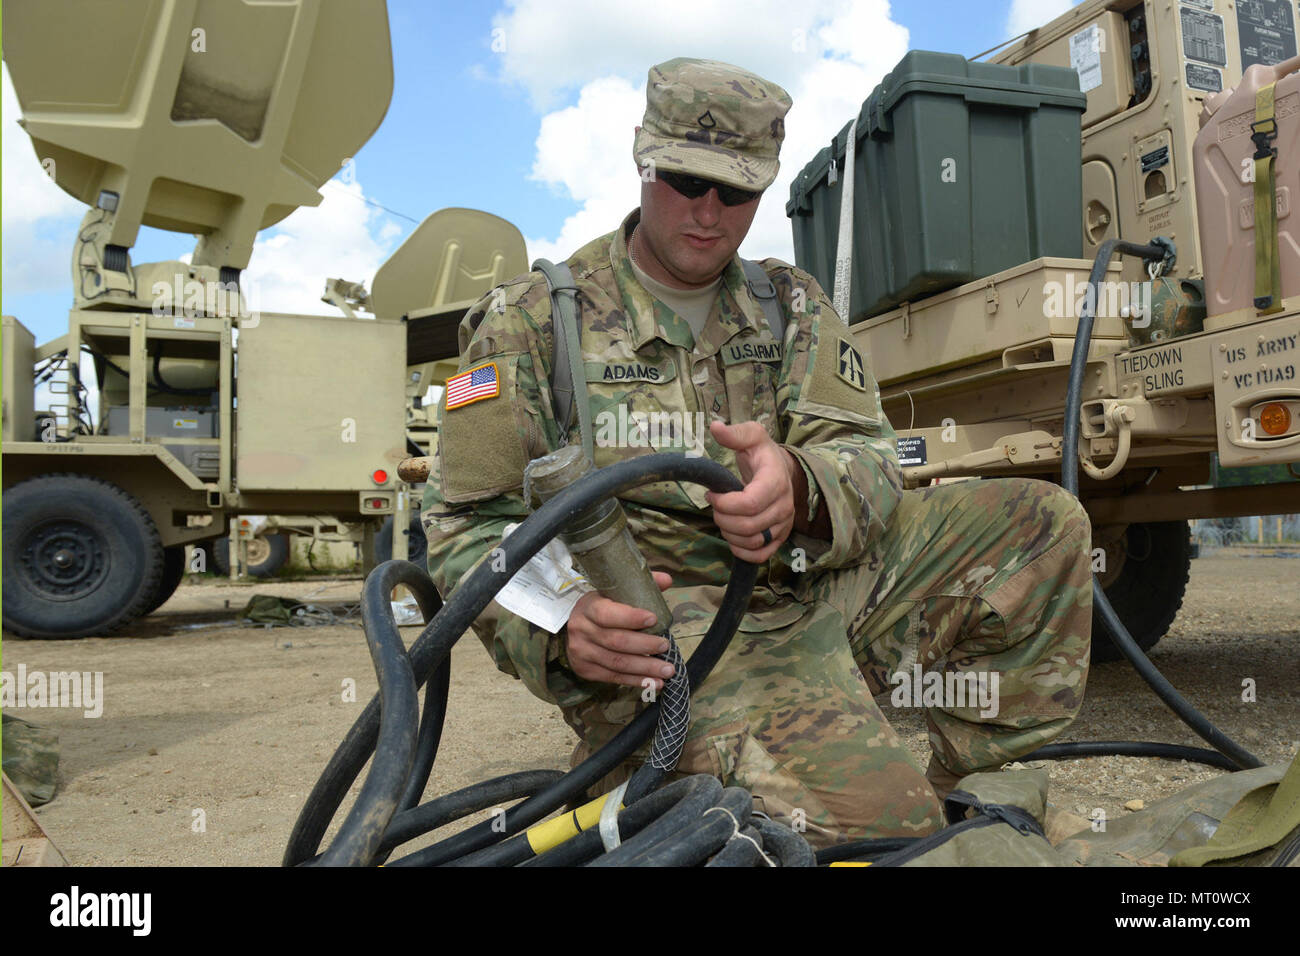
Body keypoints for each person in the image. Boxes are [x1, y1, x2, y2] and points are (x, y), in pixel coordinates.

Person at [422, 57, 1092, 847]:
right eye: (685, 180)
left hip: (811, 589)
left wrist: (799, 488)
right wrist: (562, 624)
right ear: (643, 156)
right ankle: (653, 764)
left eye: (737, 192)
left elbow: (871, 457)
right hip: (673, 641)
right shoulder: (531, 324)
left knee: (1040, 523)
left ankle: (986, 798)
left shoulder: (791, 303)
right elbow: (465, 528)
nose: (708, 212)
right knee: (888, 832)